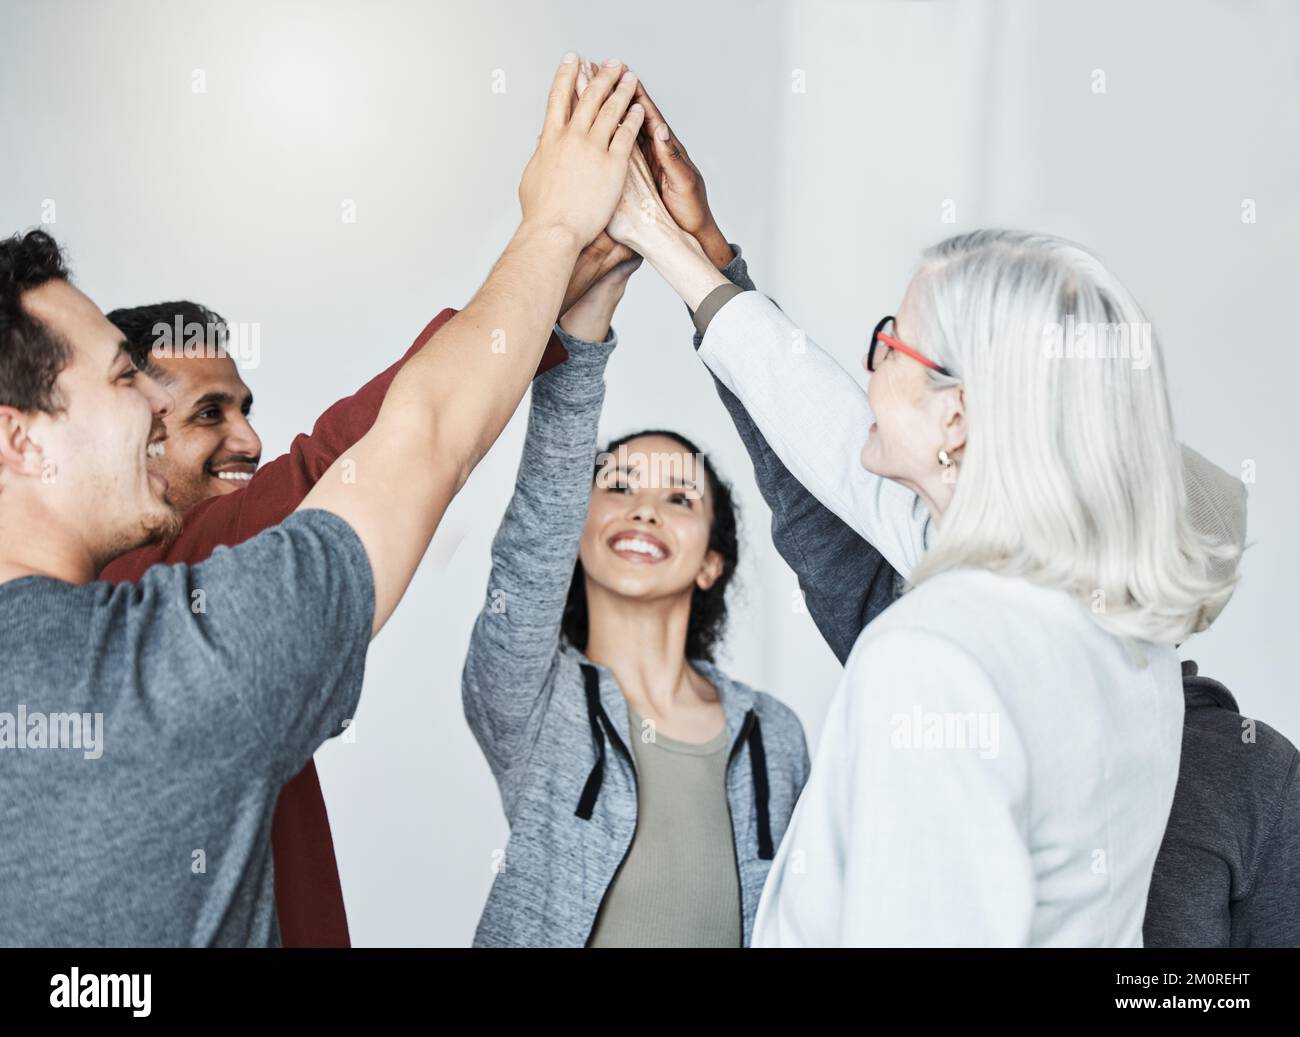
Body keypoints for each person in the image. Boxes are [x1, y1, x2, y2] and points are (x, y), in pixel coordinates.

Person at [623, 86, 1299, 947]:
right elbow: (820, 437)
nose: (868, 366)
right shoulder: (1113, 647)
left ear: (958, 417)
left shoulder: (935, 657)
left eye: (889, 342)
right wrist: (679, 247)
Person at [0, 53, 645, 946]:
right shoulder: (185, 645)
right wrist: (555, 231)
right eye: (127, 383)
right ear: (21, 439)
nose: (154, 408)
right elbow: (389, 447)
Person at [93, 231, 628, 946]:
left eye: (245, 407)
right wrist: (548, 259)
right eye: (208, 413)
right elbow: (352, 452)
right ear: (127, 432)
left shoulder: (208, 592)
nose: (250, 439)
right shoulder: (132, 589)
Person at [460, 208, 809, 946]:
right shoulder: (534, 697)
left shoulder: (775, 735)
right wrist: (586, 323)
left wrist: (707, 272)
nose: (645, 509)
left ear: (712, 560)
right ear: (577, 533)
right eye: (618, 486)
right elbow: (529, 549)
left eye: (679, 497)